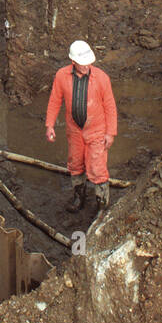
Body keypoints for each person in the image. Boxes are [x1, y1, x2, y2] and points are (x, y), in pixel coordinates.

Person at [45, 40, 117, 214]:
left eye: (88, 63)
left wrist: (110, 133)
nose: (86, 67)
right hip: (75, 130)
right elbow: (55, 101)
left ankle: (102, 204)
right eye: (83, 64)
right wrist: (50, 125)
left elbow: (110, 106)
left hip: (97, 130)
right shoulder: (62, 76)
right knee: (75, 164)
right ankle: (79, 197)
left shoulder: (101, 78)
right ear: (73, 62)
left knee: (97, 168)